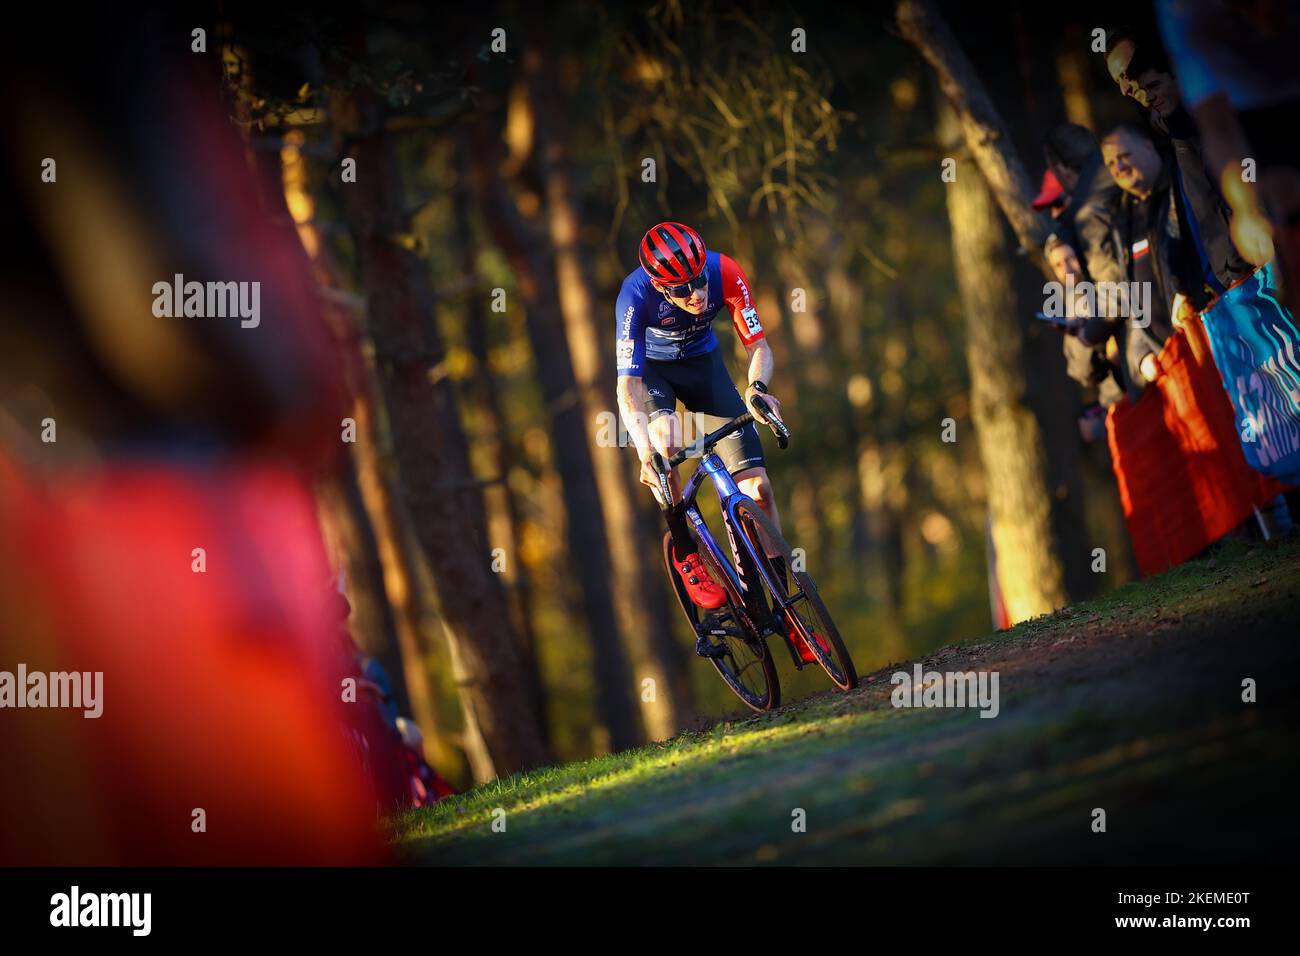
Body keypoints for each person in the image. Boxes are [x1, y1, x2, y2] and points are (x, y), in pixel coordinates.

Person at [614, 222, 812, 660]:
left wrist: (757, 387)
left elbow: (758, 344)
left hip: (705, 367)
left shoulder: (725, 271)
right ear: (660, 287)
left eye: (699, 280)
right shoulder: (634, 295)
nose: (697, 295)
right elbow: (627, 388)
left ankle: (789, 611)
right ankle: (687, 553)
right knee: (665, 441)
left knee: (758, 490)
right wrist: (645, 451)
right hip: (656, 378)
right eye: (682, 290)